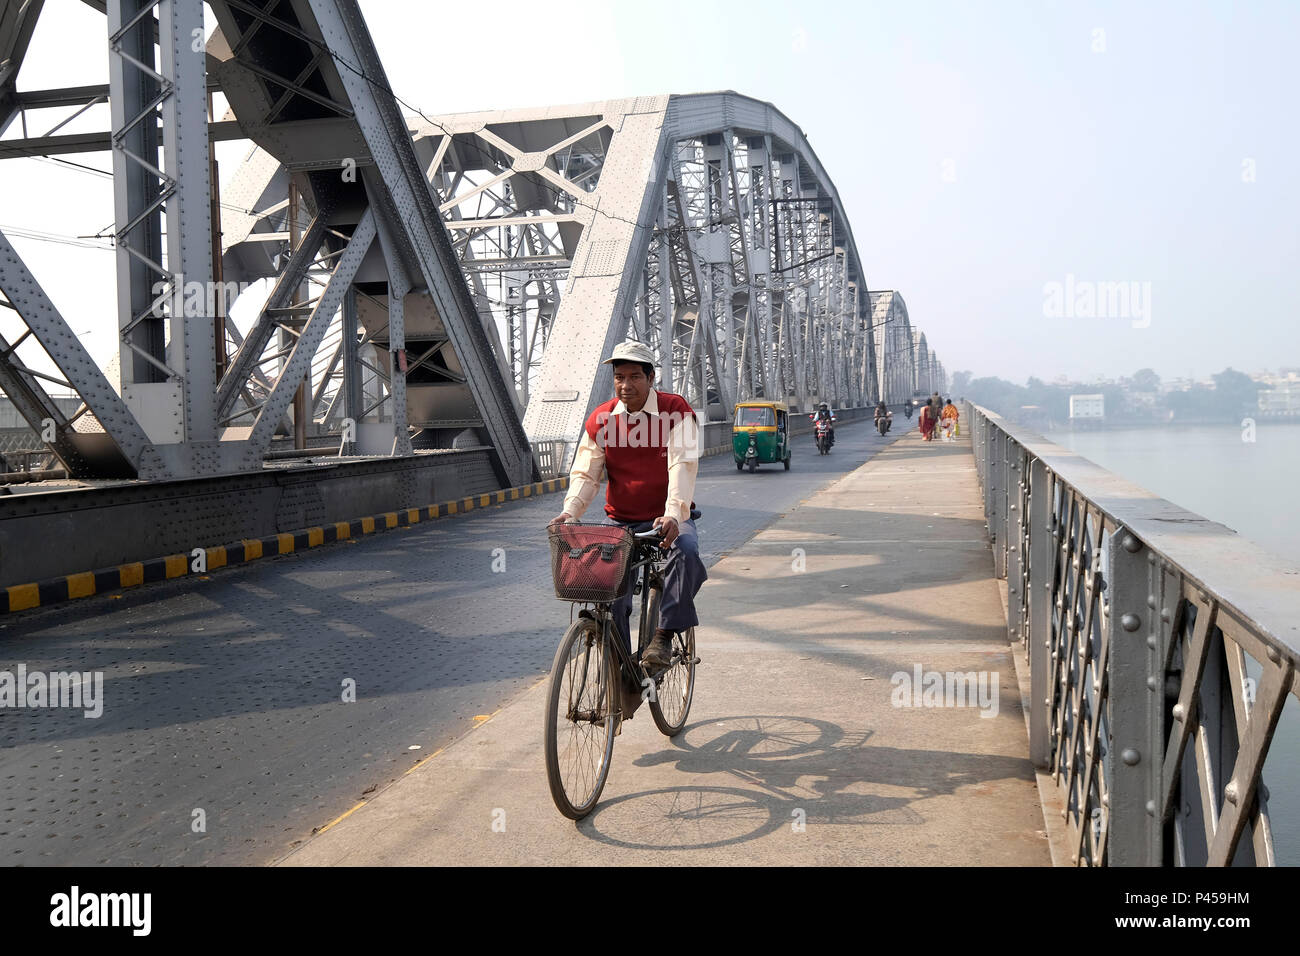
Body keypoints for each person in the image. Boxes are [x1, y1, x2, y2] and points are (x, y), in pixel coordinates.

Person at [547, 340, 706, 671]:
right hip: (621, 521)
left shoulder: (676, 410)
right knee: (606, 586)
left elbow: (682, 465)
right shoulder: (601, 419)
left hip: (667, 517)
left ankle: (663, 635)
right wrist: (570, 512)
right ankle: (620, 664)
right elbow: (587, 474)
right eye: (619, 377)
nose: (625, 384)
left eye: (634, 376)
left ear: (651, 378)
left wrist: (674, 514)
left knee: (687, 551)